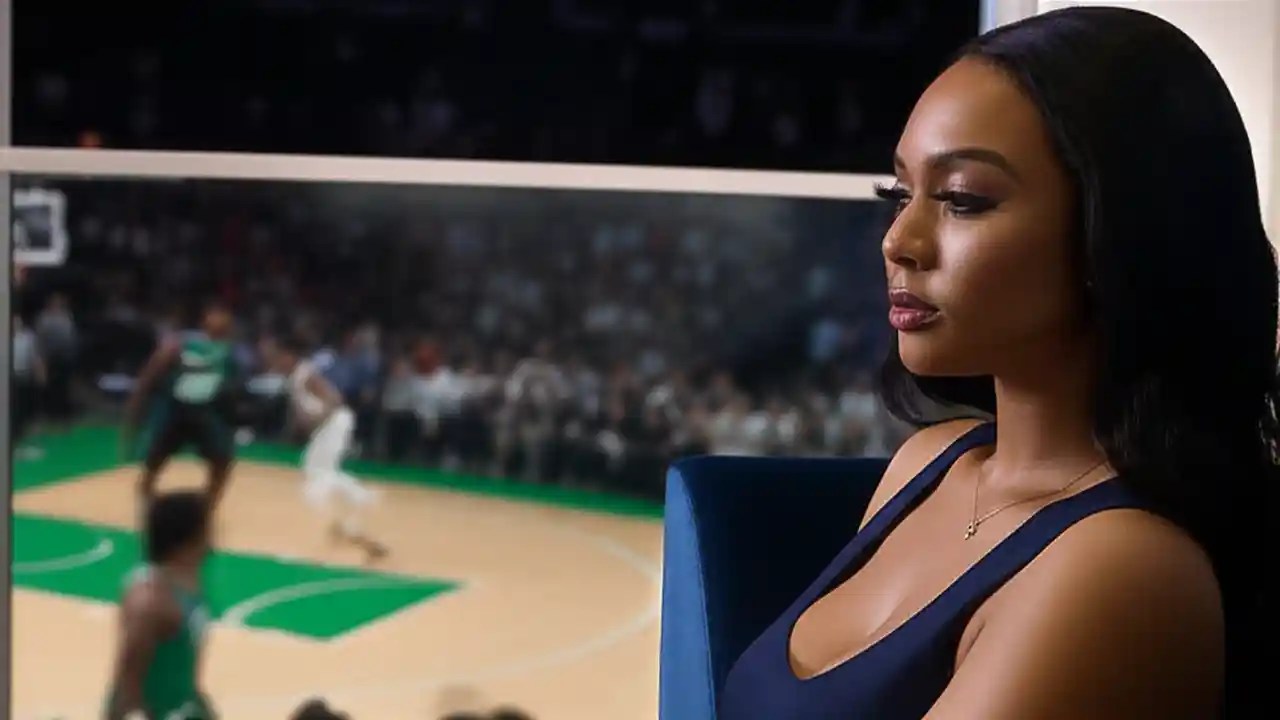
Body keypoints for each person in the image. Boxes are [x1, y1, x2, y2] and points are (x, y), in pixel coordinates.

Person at [719, 7, 1272, 719]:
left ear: (1119, 236)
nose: (900, 240)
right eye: (900, 194)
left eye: (963, 199)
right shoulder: (925, 464)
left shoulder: (1120, 566)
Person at [265, 334, 387, 561]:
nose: (276, 361)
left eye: (279, 356)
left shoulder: (306, 373)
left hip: (334, 422)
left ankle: (348, 515)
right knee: (318, 472)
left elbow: (334, 397)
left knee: (317, 474)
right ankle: (353, 508)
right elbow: (301, 412)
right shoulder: (293, 378)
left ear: (290, 356)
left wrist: (319, 418)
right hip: (328, 426)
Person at [106, 491, 215, 720]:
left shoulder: (186, 578)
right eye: (208, 527)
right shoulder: (150, 602)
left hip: (183, 706)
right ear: (188, 537)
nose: (214, 534)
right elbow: (128, 679)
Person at [124, 301, 240, 510]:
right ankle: (146, 496)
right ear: (204, 319)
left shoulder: (230, 351)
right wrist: (134, 413)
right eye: (215, 313)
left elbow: (232, 386)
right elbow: (149, 376)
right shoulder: (182, 342)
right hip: (178, 410)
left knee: (222, 461)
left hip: (206, 412)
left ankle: (207, 506)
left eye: (224, 314)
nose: (220, 319)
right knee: (156, 458)